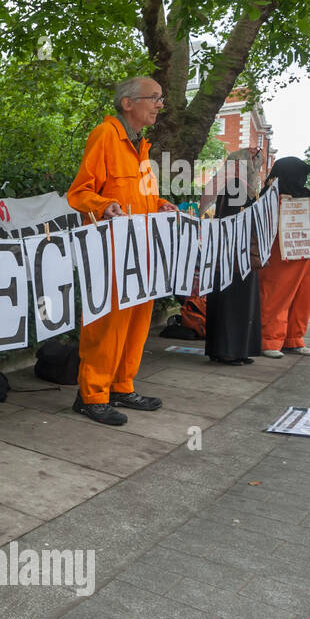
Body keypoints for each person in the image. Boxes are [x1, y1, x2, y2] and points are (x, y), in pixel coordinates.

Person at [66, 76, 178, 425]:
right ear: (128, 103)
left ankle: (121, 386)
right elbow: (79, 193)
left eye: (162, 99)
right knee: (107, 324)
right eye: (154, 98)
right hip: (111, 251)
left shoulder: (141, 145)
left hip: (142, 250)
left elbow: (144, 194)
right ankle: (91, 396)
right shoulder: (105, 136)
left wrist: (160, 204)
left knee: (137, 321)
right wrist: (103, 206)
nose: (160, 105)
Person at [259, 156, 310, 357]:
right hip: (281, 256)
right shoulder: (269, 195)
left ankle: (294, 339)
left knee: (303, 299)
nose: (302, 179)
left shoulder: (309, 195)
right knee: (276, 297)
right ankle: (269, 341)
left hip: (308, 256)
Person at [204, 156, 261, 365]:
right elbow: (234, 217)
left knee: (239, 303)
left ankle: (236, 349)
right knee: (232, 303)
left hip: (237, 254)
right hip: (234, 254)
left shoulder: (238, 185)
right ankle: (228, 350)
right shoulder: (234, 185)